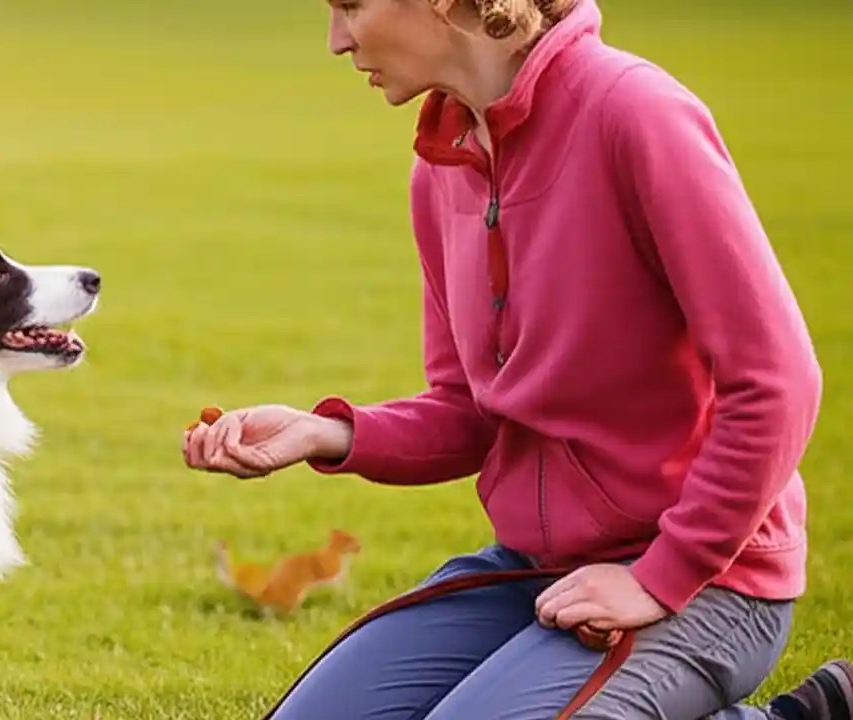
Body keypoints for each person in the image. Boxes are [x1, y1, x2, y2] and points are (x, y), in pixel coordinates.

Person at [181, 0, 850, 718]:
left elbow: (777, 379)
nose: (336, 40)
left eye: (351, 5)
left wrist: (662, 576)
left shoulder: (636, 114)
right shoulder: (441, 167)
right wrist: (326, 432)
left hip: (709, 576)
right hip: (537, 569)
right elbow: (472, 409)